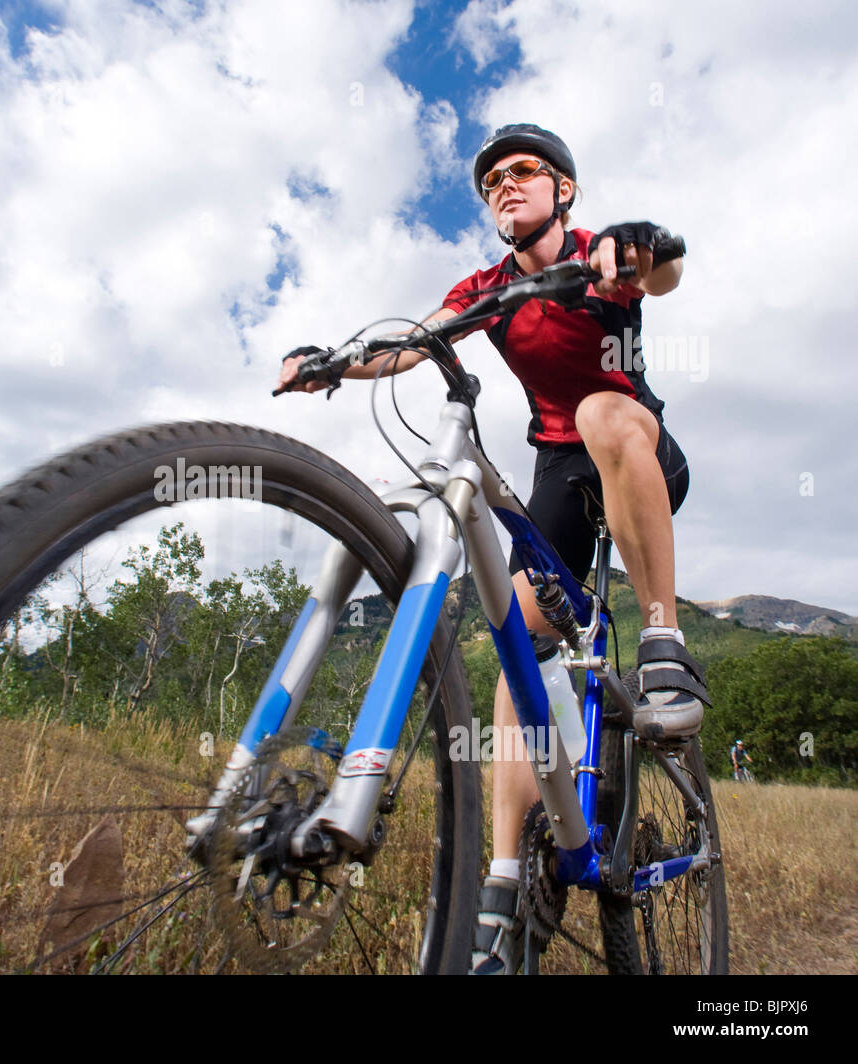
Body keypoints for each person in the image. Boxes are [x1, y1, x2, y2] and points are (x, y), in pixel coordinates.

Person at [275, 123, 710, 974]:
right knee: (519, 634)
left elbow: (664, 269)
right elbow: (414, 341)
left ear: (564, 189)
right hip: (557, 469)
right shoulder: (484, 285)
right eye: (491, 183)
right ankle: (505, 875)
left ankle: (664, 638)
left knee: (595, 412)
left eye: (523, 172)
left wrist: (644, 251)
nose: (504, 186)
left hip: (630, 445)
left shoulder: (596, 251)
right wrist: (335, 362)